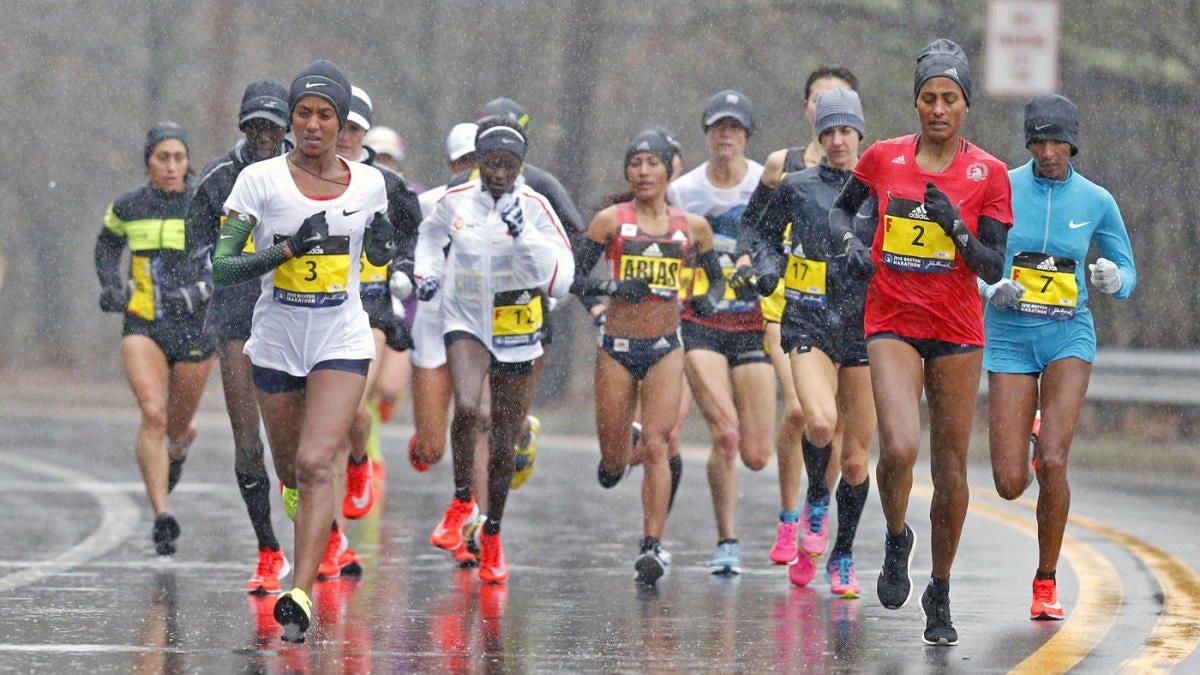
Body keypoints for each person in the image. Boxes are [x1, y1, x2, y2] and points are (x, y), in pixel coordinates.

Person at [826, 39, 1012, 646]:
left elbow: (990, 265)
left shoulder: (988, 174)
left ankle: (941, 586)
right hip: (893, 320)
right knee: (900, 447)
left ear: (965, 108)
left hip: (957, 330)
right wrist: (852, 244)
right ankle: (897, 536)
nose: (938, 108)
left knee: (952, 467)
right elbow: (840, 212)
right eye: (928, 98)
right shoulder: (882, 158)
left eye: (950, 99)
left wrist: (953, 225)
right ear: (916, 103)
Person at [213, 59, 395, 643]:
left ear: (343, 124)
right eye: (303, 114)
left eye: (325, 115)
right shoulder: (259, 181)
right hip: (276, 340)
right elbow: (222, 266)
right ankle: (312, 530)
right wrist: (283, 251)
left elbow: (380, 252)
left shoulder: (370, 184)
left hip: (341, 338)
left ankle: (301, 590)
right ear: (292, 120)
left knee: (319, 463)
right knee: (292, 469)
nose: (313, 125)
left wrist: (388, 253)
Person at [982, 94, 1136, 620]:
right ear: (1027, 143)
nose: (1047, 151)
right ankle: (1029, 430)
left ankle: (1045, 582)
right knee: (1008, 484)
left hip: (1068, 333)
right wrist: (989, 287)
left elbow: (1127, 270)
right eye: (1038, 141)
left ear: (1073, 142)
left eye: (1057, 141)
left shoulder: (1096, 201)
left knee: (1052, 461)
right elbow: (976, 257)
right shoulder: (1001, 186)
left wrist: (1114, 279)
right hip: (1009, 335)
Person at [413, 117, 574, 584]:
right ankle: (463, 496)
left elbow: (560, 280)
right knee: (467, 405)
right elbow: (428, 237)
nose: (499, 174)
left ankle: (494, 533)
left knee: (503, 438)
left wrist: (525, 235)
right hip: (465, 318)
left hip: (517, 323)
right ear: (478, 163)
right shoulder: (454, 200)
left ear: (521, 166)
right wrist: (428, 274)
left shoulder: (538, 206)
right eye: (490, 164)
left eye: (508, 165)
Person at [571, 130, 725, 585]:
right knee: (615, 462)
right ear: (627, 171)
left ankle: (652, 545)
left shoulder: (692, 228)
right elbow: (571, 278)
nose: (642, 172)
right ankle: (617, 452)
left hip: (665, 348)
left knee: (659, 446)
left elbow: (716, 280)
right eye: (634, 163)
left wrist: (711, 298)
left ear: (667, 169)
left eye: (651, 163)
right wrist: (614, 287)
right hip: (617, 348)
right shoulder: (610, 222)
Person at [750, 88, 875, 596]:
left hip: (865, 327)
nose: (839, 139)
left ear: (860, 135)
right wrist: (767, 265)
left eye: (847, 130)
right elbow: (758, 232)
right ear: (819, 135)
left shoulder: (881, 189)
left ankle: (842, 553)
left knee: (856, 461)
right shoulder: (797, 186)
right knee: (819, 423)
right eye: (830, 130)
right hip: (808, 321)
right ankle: (815, 503)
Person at [185, 80, 292, 593]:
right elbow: (196, 244)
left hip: (300, 314)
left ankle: (325, 532)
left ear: (287, 126)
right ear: (243, 127)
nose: (264, 135)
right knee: (249, 442)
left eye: (273, 125)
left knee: (301, 444)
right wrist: (214, 267)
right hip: (236, 319)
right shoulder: (219, 177)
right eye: (255, 126)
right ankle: (268, 548)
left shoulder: (311, 170)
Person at [667, 90, 775, 575]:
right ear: (707, 134)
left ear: (747, 135)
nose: (725, 135)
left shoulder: (766, 182)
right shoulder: (685, 191)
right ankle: (727, 541)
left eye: (734, 127)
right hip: (702, 323)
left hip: (753, 324)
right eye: (717, 127)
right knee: (726, 437)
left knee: (755, 453)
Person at [95, 122, 214, 558]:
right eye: (162, 158)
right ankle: (162, 517)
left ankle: (179, 448)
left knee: (176, 427)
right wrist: (110, 283)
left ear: (187, 161)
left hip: (196, 327)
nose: (171, 166)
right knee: (152, 414)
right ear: (148, 161)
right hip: (143, 320)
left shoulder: (205, 202)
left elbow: (228, 257)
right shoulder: (128, 205)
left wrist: (200, 290)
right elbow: (107, 244)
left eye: (178, 158)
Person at [325, 85, 422, 580]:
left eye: (354, 129)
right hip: (312, 312)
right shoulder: (299, 175)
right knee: (314, 435)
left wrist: (403, 267)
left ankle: (359, 466)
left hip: (369, 312)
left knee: (341, 421)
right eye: (337, 126)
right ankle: (332, 537)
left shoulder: (387, 185)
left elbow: (415, 231)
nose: (343, 137)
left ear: (365, 134)